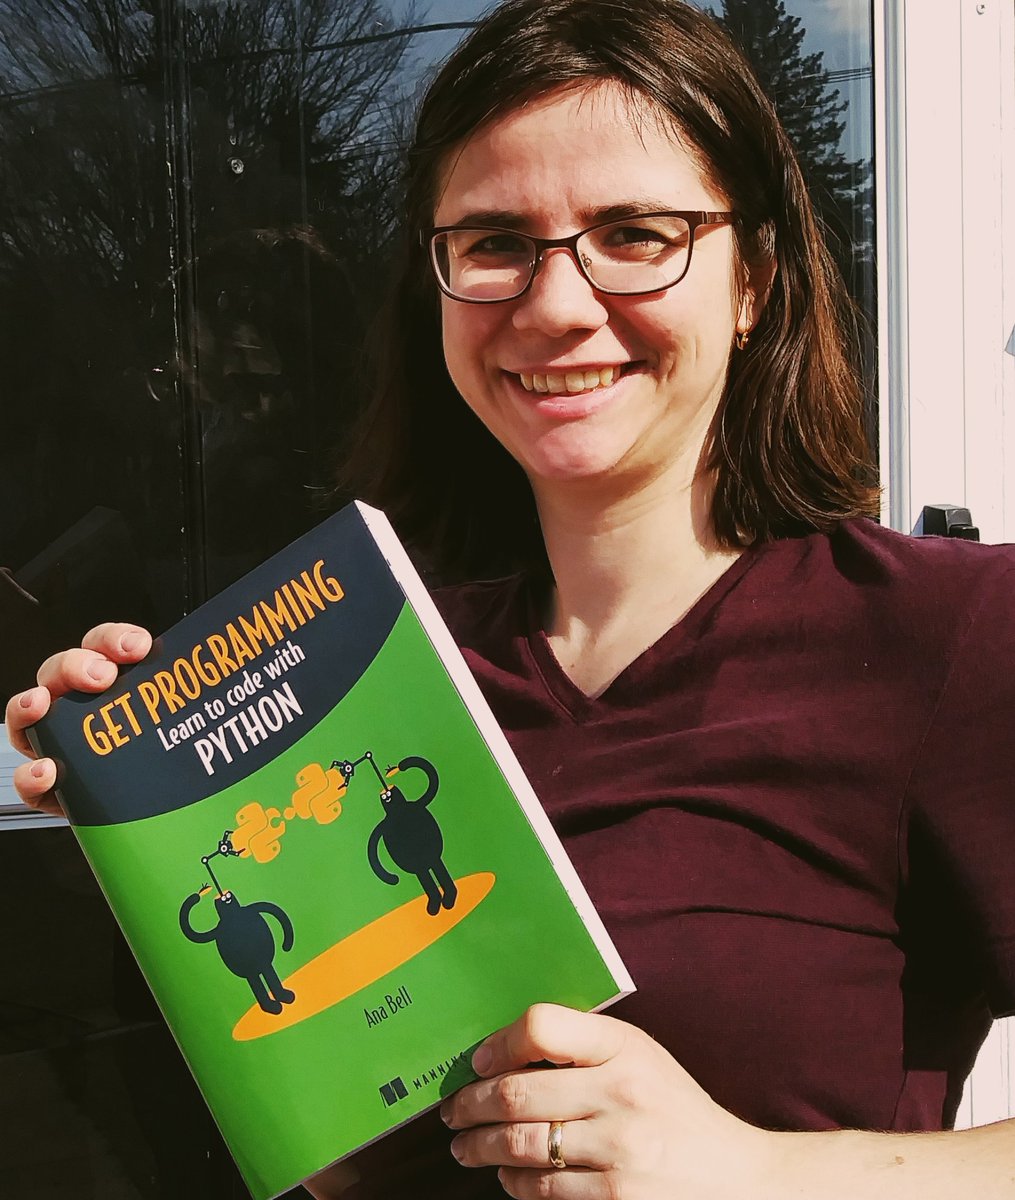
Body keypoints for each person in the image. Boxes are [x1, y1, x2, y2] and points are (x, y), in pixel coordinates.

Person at [8, 1, 1015, 1197]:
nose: (556, 305)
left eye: (634, 234)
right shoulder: (377, 676)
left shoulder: (948, 639)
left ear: (754, 281)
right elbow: (350, 1163)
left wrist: (754, 1170)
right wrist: (148, 824)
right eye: (494, 242)